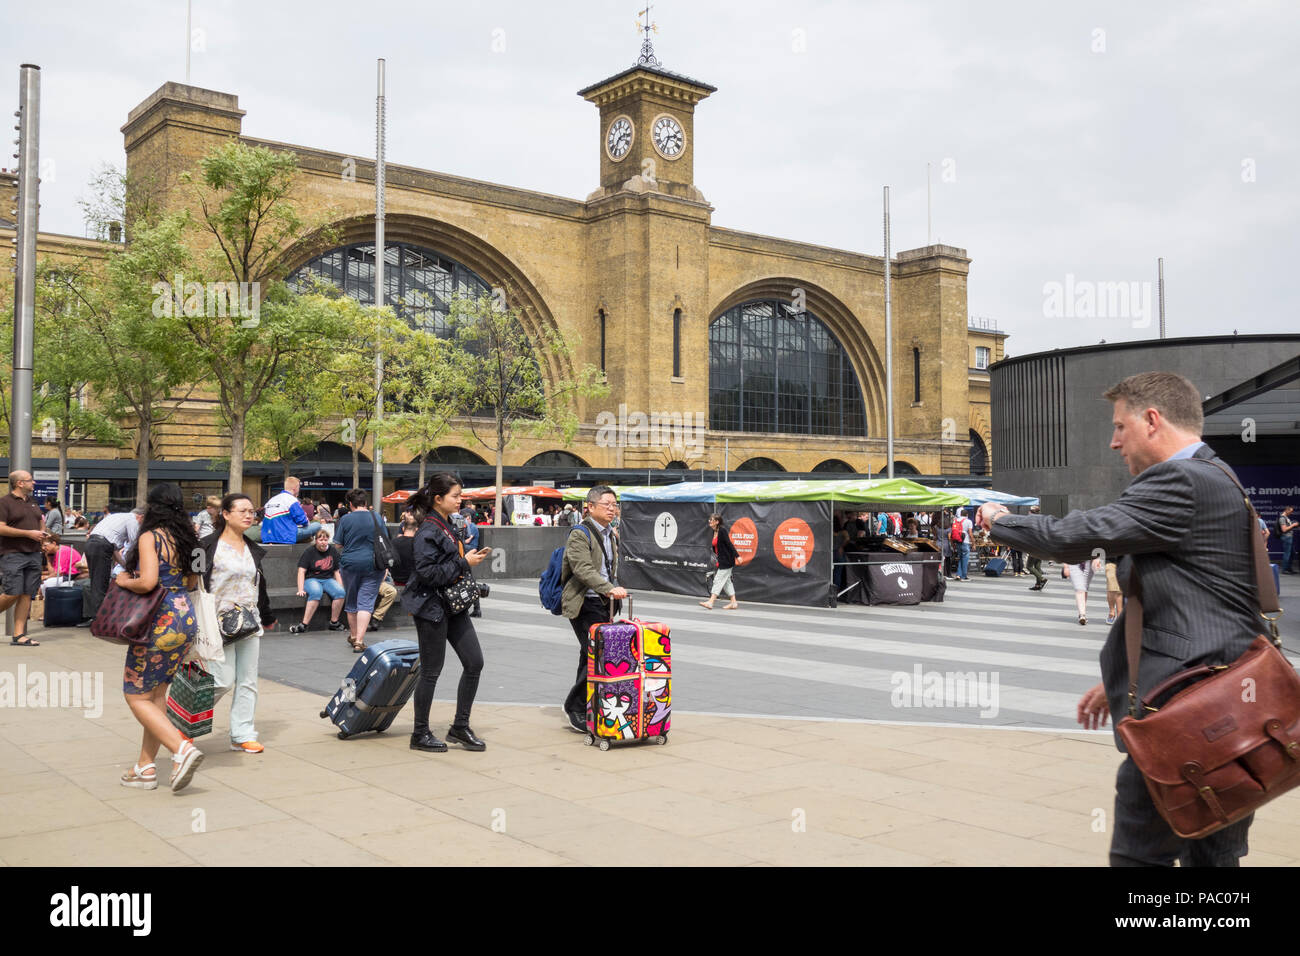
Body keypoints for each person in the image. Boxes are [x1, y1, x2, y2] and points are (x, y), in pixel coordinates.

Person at [976, 371, 1263, 867]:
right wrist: (1122, 679)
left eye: (1119, 427)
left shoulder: (1181, 479)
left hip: (1183, 721)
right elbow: (1192, 603)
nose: (1112, 443)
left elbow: (1077, 534)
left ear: (1152, 421)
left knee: (1140, 860)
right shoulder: (1220, 475)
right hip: (1231, 714)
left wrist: (1003, 521)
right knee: (1214, 860)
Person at [115, 483, 203, 792]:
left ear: (152, 507)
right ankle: (145, 767)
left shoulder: (149, 538)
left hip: (158, 620)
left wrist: (126, 580)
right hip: (184, 617)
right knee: (154, 697)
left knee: (135, 695)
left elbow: (149, 582)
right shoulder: (192, 539)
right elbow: (194, 580)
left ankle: (181, 749)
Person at [400, 474, 491, 753]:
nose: (459, 499)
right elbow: (427, 574)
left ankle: (460, 727)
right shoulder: (428, 530)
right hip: (432, 608)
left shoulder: (448, 524)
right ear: (438, 499)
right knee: (431, 671)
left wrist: (464, 558)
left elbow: (446, 564)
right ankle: (420, 733)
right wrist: (465, 562)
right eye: (455, 495)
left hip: (453, 605)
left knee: (474, 662)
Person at [200, 493, 276, 754]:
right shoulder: (204, 546)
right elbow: (191, 583)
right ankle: (184, 717)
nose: (248, 515)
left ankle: (242, 734)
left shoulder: (253, 548)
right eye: (242, 510)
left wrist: (267, 616)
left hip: (249, 620)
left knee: (248, 680)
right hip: (215, 622)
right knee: (222, 680)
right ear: (225, 514)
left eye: (251, 511)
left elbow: (259, 584)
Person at [560, 485, 627, 734]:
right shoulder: (580, 533)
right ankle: (574, 706)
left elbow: (607, 567)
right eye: (607, 504)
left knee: (587, 654)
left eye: (614, 504)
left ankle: (587, 704)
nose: (612, 509)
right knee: (598, 653)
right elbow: (583, 570)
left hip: (603, 603)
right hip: (584, 603)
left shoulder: (610, 533)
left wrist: (613, 588)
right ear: (590, 507)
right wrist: (609, 587)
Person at [334, 488, 388, 652]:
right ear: (365, 502)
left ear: (350, 504)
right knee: (366, 603)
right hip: (373, 564)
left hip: (350, 565)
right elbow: (384, 540)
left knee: (351, 601)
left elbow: (338, 544)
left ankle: (353, 635)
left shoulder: (345, 519)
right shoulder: (376, 517)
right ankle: (359, 641)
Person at [0, 470, 49, 645]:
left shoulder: (33, 502)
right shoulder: (4, 503)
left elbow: (40, 521)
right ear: (19, 483)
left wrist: (43, 534)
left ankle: (19, 635)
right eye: (30, 480)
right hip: (13, 553)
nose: (34, 483)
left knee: (27, 594)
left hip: (34, 553)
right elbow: (1, 528)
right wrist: (28, 533)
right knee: (12, 593)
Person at [81, 507, 145, 625]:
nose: (141, 526)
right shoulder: (132, 519)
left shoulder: (117, 518)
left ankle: (96, 618)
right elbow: (134, 544)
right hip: (101, 545)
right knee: (101, 584)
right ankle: (100, 621)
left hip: (92, 544)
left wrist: (126, 566)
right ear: (140, 516)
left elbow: (114, 549)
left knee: (96, 583)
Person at [288, 529, 347, 633]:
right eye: (321, 539)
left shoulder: (333, 551)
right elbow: (301, 571)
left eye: (325, 539)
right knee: (316, 592)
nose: (323, 542)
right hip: (312, 579)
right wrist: (300, 589)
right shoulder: (309, 551)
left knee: (341, 593)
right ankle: (304, 625)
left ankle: (334, 622)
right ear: (316, 541)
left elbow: (337, 571)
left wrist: (340, 585)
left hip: (328, 579)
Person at [260, 476, 320, 544]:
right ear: (295, 488)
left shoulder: (271, 500)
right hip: (286, 536)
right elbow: (303, 521)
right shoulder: (292, 500)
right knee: (317, 525)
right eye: (299, 488)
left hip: (267, 537)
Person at [700, 513, 740, 610]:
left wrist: (737, 556)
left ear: (717, 522)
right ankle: (733, 602)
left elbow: (729, 544)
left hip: (727, 561)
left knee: (718, 580)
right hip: (722, 560)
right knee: (727, 582)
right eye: (709, 520)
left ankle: (711, 602)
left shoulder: (722, 531)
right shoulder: (714, 532)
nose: (710, 521)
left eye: (712, 520)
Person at [1065, 556, 1102, 625]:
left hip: (1089, 560)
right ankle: (1082, 615)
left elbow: (1097, 546)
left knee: (1084, 588)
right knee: (1079, 589)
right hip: (1073, 561)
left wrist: (1097, 558)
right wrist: (1066, 566)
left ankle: (1082, 613)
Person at [1024, 505, 1047, 590]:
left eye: (1029, 510)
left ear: (1031, 512)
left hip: (1034, 546)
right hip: (1041, 546)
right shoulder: (1041, 520)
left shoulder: (1031, 521)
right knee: (1037, 567)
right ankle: (1038, 585)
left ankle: (1042, 579)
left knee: (1029, 566)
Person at [953, 508, 973, 581]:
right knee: (965, 559)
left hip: (958, 541)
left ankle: (958, 574)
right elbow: (970, 533)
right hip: (965, 541)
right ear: (967, 515)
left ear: (960, 514)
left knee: (960, 558)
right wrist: (973, 543)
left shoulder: (955, 521)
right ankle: (963, 576)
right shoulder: (968, 521)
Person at [1104, 556, 1124, 626]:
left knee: (1120, 589)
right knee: (1112, 587)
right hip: (1110, 561)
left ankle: (1119, 613)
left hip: (1125, 560)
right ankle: (1112, 611)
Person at [1281, 506, 1297, 574]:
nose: (1291, 513)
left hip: (1289, 537)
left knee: (1292, 553)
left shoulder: (1286, 518)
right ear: (1287, 510)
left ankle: (1289, 568)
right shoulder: (1282, 518)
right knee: (1287, 554)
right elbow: (1284, 529)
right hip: (1286, 537)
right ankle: (1284, 569)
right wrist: (1293, 525)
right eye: (1290, 511)